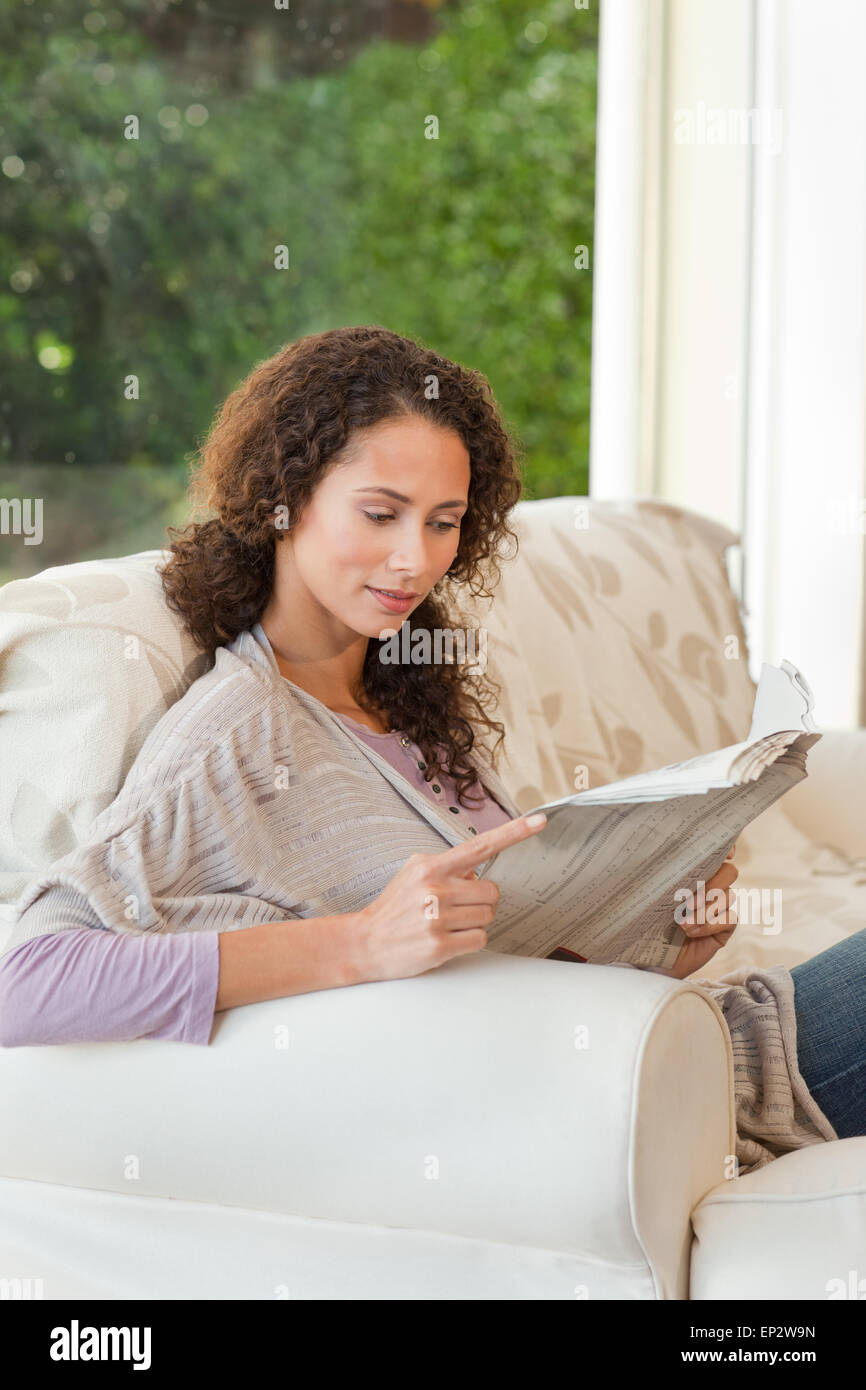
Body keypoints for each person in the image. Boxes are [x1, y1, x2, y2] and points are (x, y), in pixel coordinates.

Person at [0, 325, 854, 1175]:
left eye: (443, 524)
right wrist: (360, 942)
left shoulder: (411, 697)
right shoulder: (236, 730)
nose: (415, 560)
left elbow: (502, 962)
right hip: (669, 1095)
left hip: (682, 1043)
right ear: (282, 501)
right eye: (380, 514)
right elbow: (27, 981)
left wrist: (652, 945)